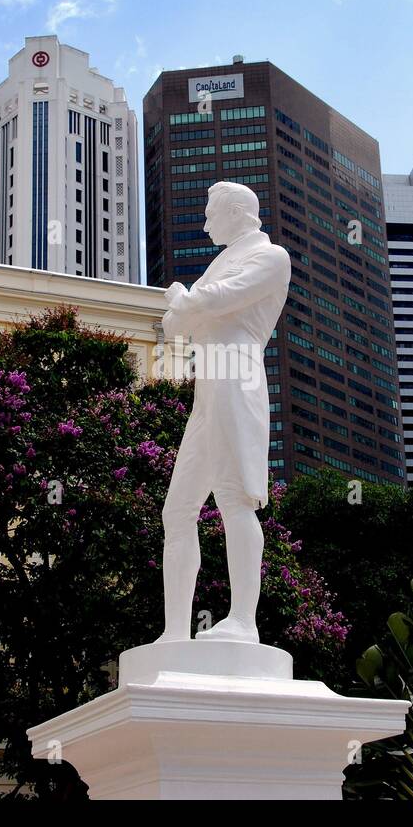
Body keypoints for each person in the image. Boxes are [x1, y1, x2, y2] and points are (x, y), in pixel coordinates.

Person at [156, 181, 291, 644]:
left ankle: (243, 621)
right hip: (208, 386)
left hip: (237, 376)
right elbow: (175, 324)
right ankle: (175, 630)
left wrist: (187, 300)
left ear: (237, 211)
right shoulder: (221, 260)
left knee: (235, 498)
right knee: (177, 511)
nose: (206, 221)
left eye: (212, 212)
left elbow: (213, 301)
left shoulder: (271, 257)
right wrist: (186, 304)